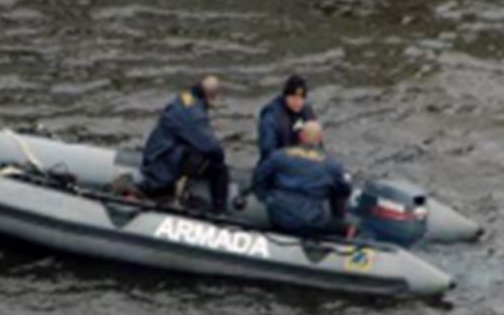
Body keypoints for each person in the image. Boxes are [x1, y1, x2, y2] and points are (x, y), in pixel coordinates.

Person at [138, 75, 230, 213]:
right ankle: (219, 212)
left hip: (157, 155)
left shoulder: (186, 98)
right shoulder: (194, 114)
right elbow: (212, 148)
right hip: (161, 166)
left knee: (196, 153)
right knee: (218, 168)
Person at [251, 121, 353, 238]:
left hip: (278, 215)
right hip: (310, 220)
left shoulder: (279, 156)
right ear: (320, 138)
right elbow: (345, 189)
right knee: (339, 208)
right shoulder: (332, 165)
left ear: (301, 136)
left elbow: (259, 178)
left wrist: (266, 198)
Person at [256, 75, 317, 162]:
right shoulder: (271, 117)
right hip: (278, 165)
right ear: (285, 96)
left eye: (301, 98)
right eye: (293, 97)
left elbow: (318, 143)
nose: (298, 102)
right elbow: (268, 152)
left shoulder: (307, 112)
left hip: (302, 162)